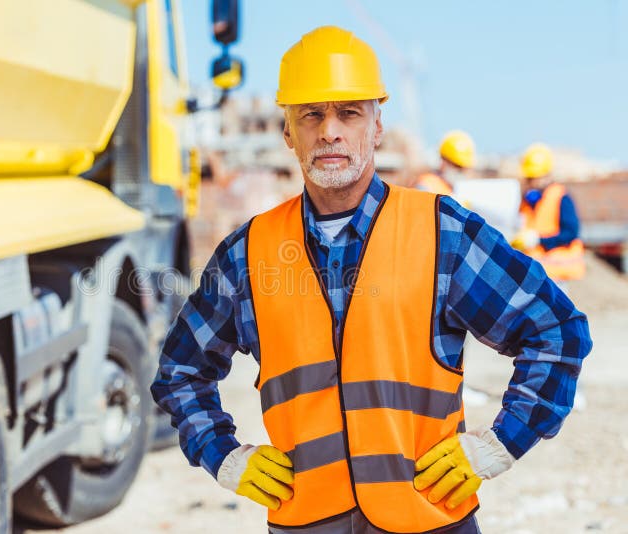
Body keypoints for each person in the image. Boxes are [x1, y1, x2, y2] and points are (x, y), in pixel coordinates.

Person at [152, 26, 592, 534]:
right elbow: (180, 373)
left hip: (428, 520)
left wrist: (500, 444)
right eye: (311, 113)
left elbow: (556, 332)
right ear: (288, 132)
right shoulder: (247, 255)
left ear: (377, 126)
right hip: (308, 522)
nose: (330, 131)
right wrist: (223, 455)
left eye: (349, 113)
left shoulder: (442, 232)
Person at [512, 143, 586, 288]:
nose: (531, 182)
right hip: (535, 274)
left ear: (547, 175)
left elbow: (571, 233)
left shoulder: (561, 197)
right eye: (528, 178)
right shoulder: (528, 200)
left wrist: (539, 240)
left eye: (534, 178)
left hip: (557, 275)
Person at [415, 130, 476, 195]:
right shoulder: (427, 185)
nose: (461, 173)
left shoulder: (455, 190)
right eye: (457, 166)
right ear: (444, 162)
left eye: (463, 169)